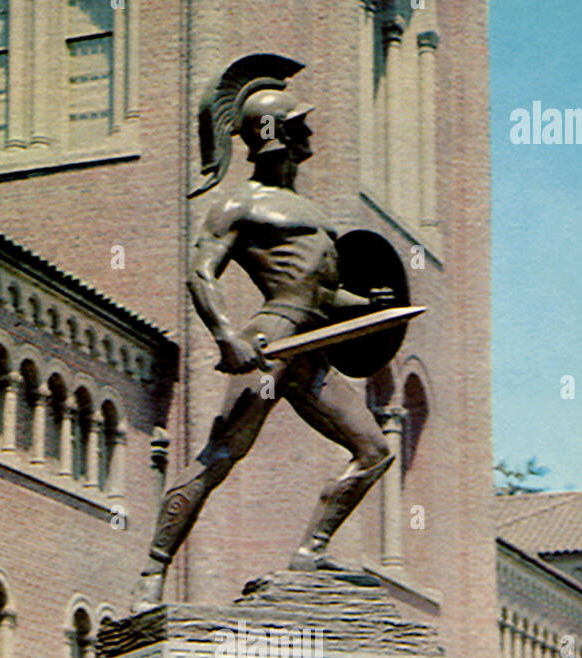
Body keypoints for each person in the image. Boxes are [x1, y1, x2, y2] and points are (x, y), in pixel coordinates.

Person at [131, 83, 395, 612]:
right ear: (275, 135)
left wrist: (366, 303)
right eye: (299, 123)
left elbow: (319, 291)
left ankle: (310, 553)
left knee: (374, 450)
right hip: (270, 341)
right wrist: (225, 335)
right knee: (221, 456)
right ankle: (151, 576)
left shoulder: (311, 209)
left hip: (314, 348)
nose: (310, 130)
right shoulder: (238, 203)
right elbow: (201, 272)